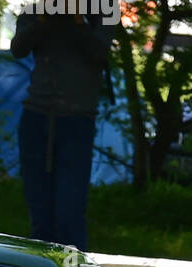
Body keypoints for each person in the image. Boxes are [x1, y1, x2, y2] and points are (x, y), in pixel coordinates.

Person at [10, 8, 118, 251]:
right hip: (37, 116)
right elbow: (18, 48)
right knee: (40, 215)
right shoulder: (40, 9)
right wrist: (44, 19)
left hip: (76, 121)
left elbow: (99, 55)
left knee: (69, 213)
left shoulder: (105, 9)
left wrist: (78, 21)